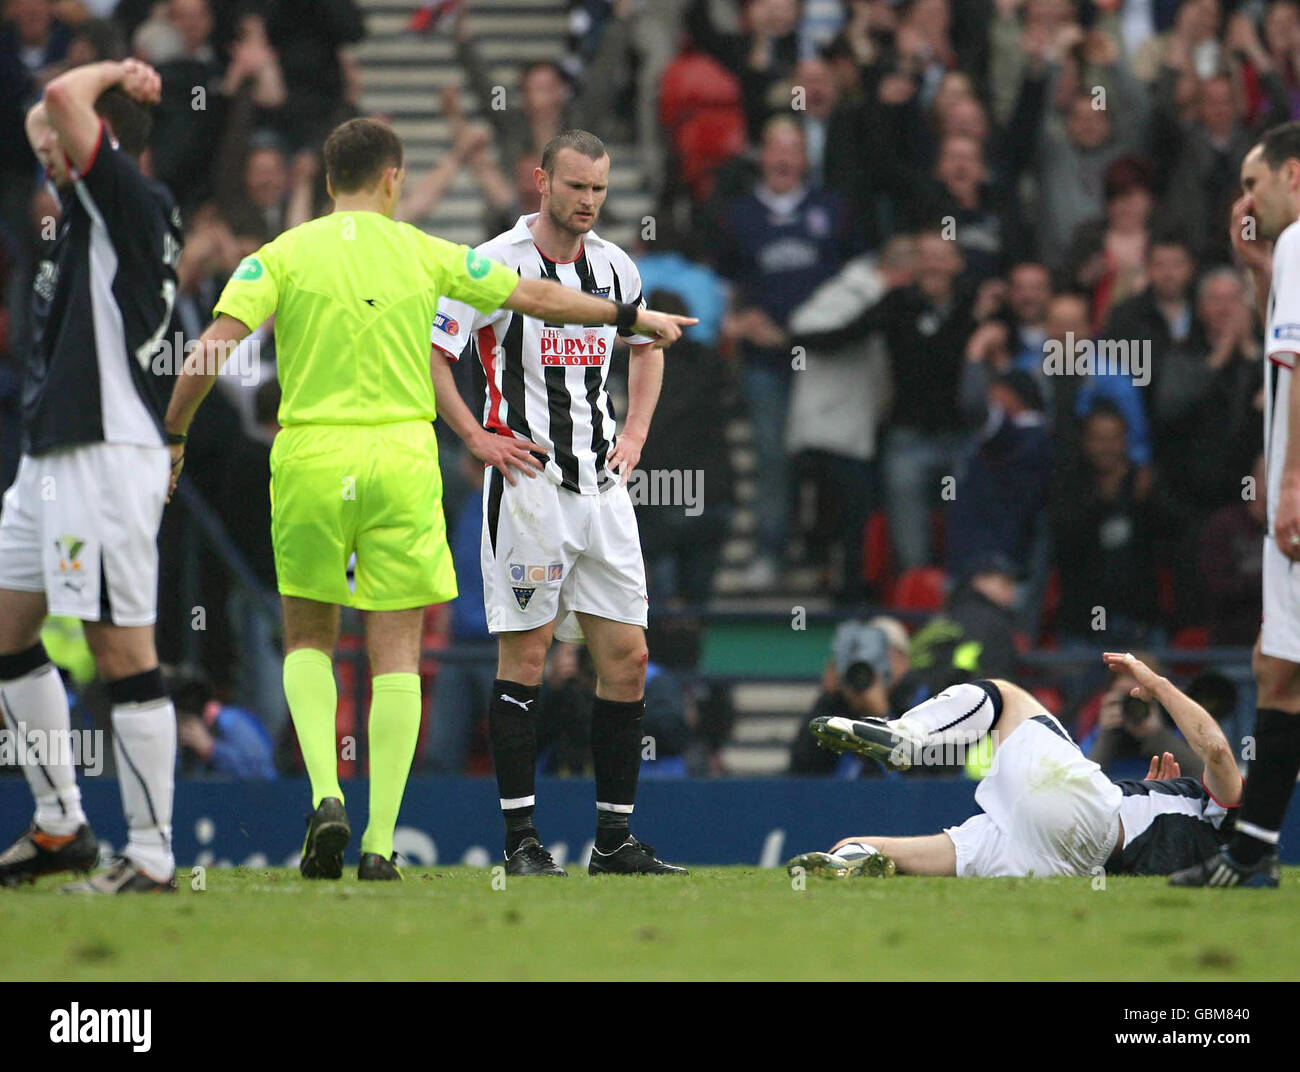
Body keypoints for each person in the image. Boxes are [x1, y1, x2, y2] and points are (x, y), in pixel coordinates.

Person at [164, 118, 692, 882]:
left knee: (309, 637)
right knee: (398, 654)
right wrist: (626, 317)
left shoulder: (280, 255)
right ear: (393, 179)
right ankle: (380, 841)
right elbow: (538, 298)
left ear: (325, 181)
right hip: (405, 461)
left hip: (312, 455)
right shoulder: (429, 253)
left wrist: (174, 432)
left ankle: (323, 792)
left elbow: (213, 345)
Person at [430, 129, 690, 877]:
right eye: (575, 186)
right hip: (528, 486)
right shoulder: (493, 264)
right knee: (528, 657)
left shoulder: (616, 267)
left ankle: (611, 843)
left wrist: (636, 432)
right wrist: (476, 438)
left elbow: (648, 348)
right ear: (541, 180)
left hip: (602, 487)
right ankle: (521, 844)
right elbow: (437, 358)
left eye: (599, 190)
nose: (587, 202)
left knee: (629, 659)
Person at [0, 58, 184, 894]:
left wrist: (120, 68)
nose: (43, 148)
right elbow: (49, 114)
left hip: (106, 457)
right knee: (6, 630)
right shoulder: (82, 210)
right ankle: (60, 824)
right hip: (53, 456)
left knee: (120, 646)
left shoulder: (129, 202)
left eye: (59, 143)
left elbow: (58, 101)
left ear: (101, 140)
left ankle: (149, 853)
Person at [786, 653, 1261, 883]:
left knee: (1006, 697)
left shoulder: (1231, 814)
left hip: (1089, 823)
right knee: (890, 852)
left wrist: (1157, 684)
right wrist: (1153, 801)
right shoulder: (1206, 844)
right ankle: (850, 856)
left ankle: (910, 737)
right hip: (1063, 865)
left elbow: (1217, 750)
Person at [1170, 122, 1300, 886]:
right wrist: (1255, 265)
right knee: (1277, 668)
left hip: (1298, 501)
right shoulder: (1284, 255)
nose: (1246, 199)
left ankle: (1249, 853)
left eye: (1256, 183)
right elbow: (1282, 341)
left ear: (1294, 174)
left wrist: (1288, 484)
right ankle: (1251, 851)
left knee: (1280, 669)